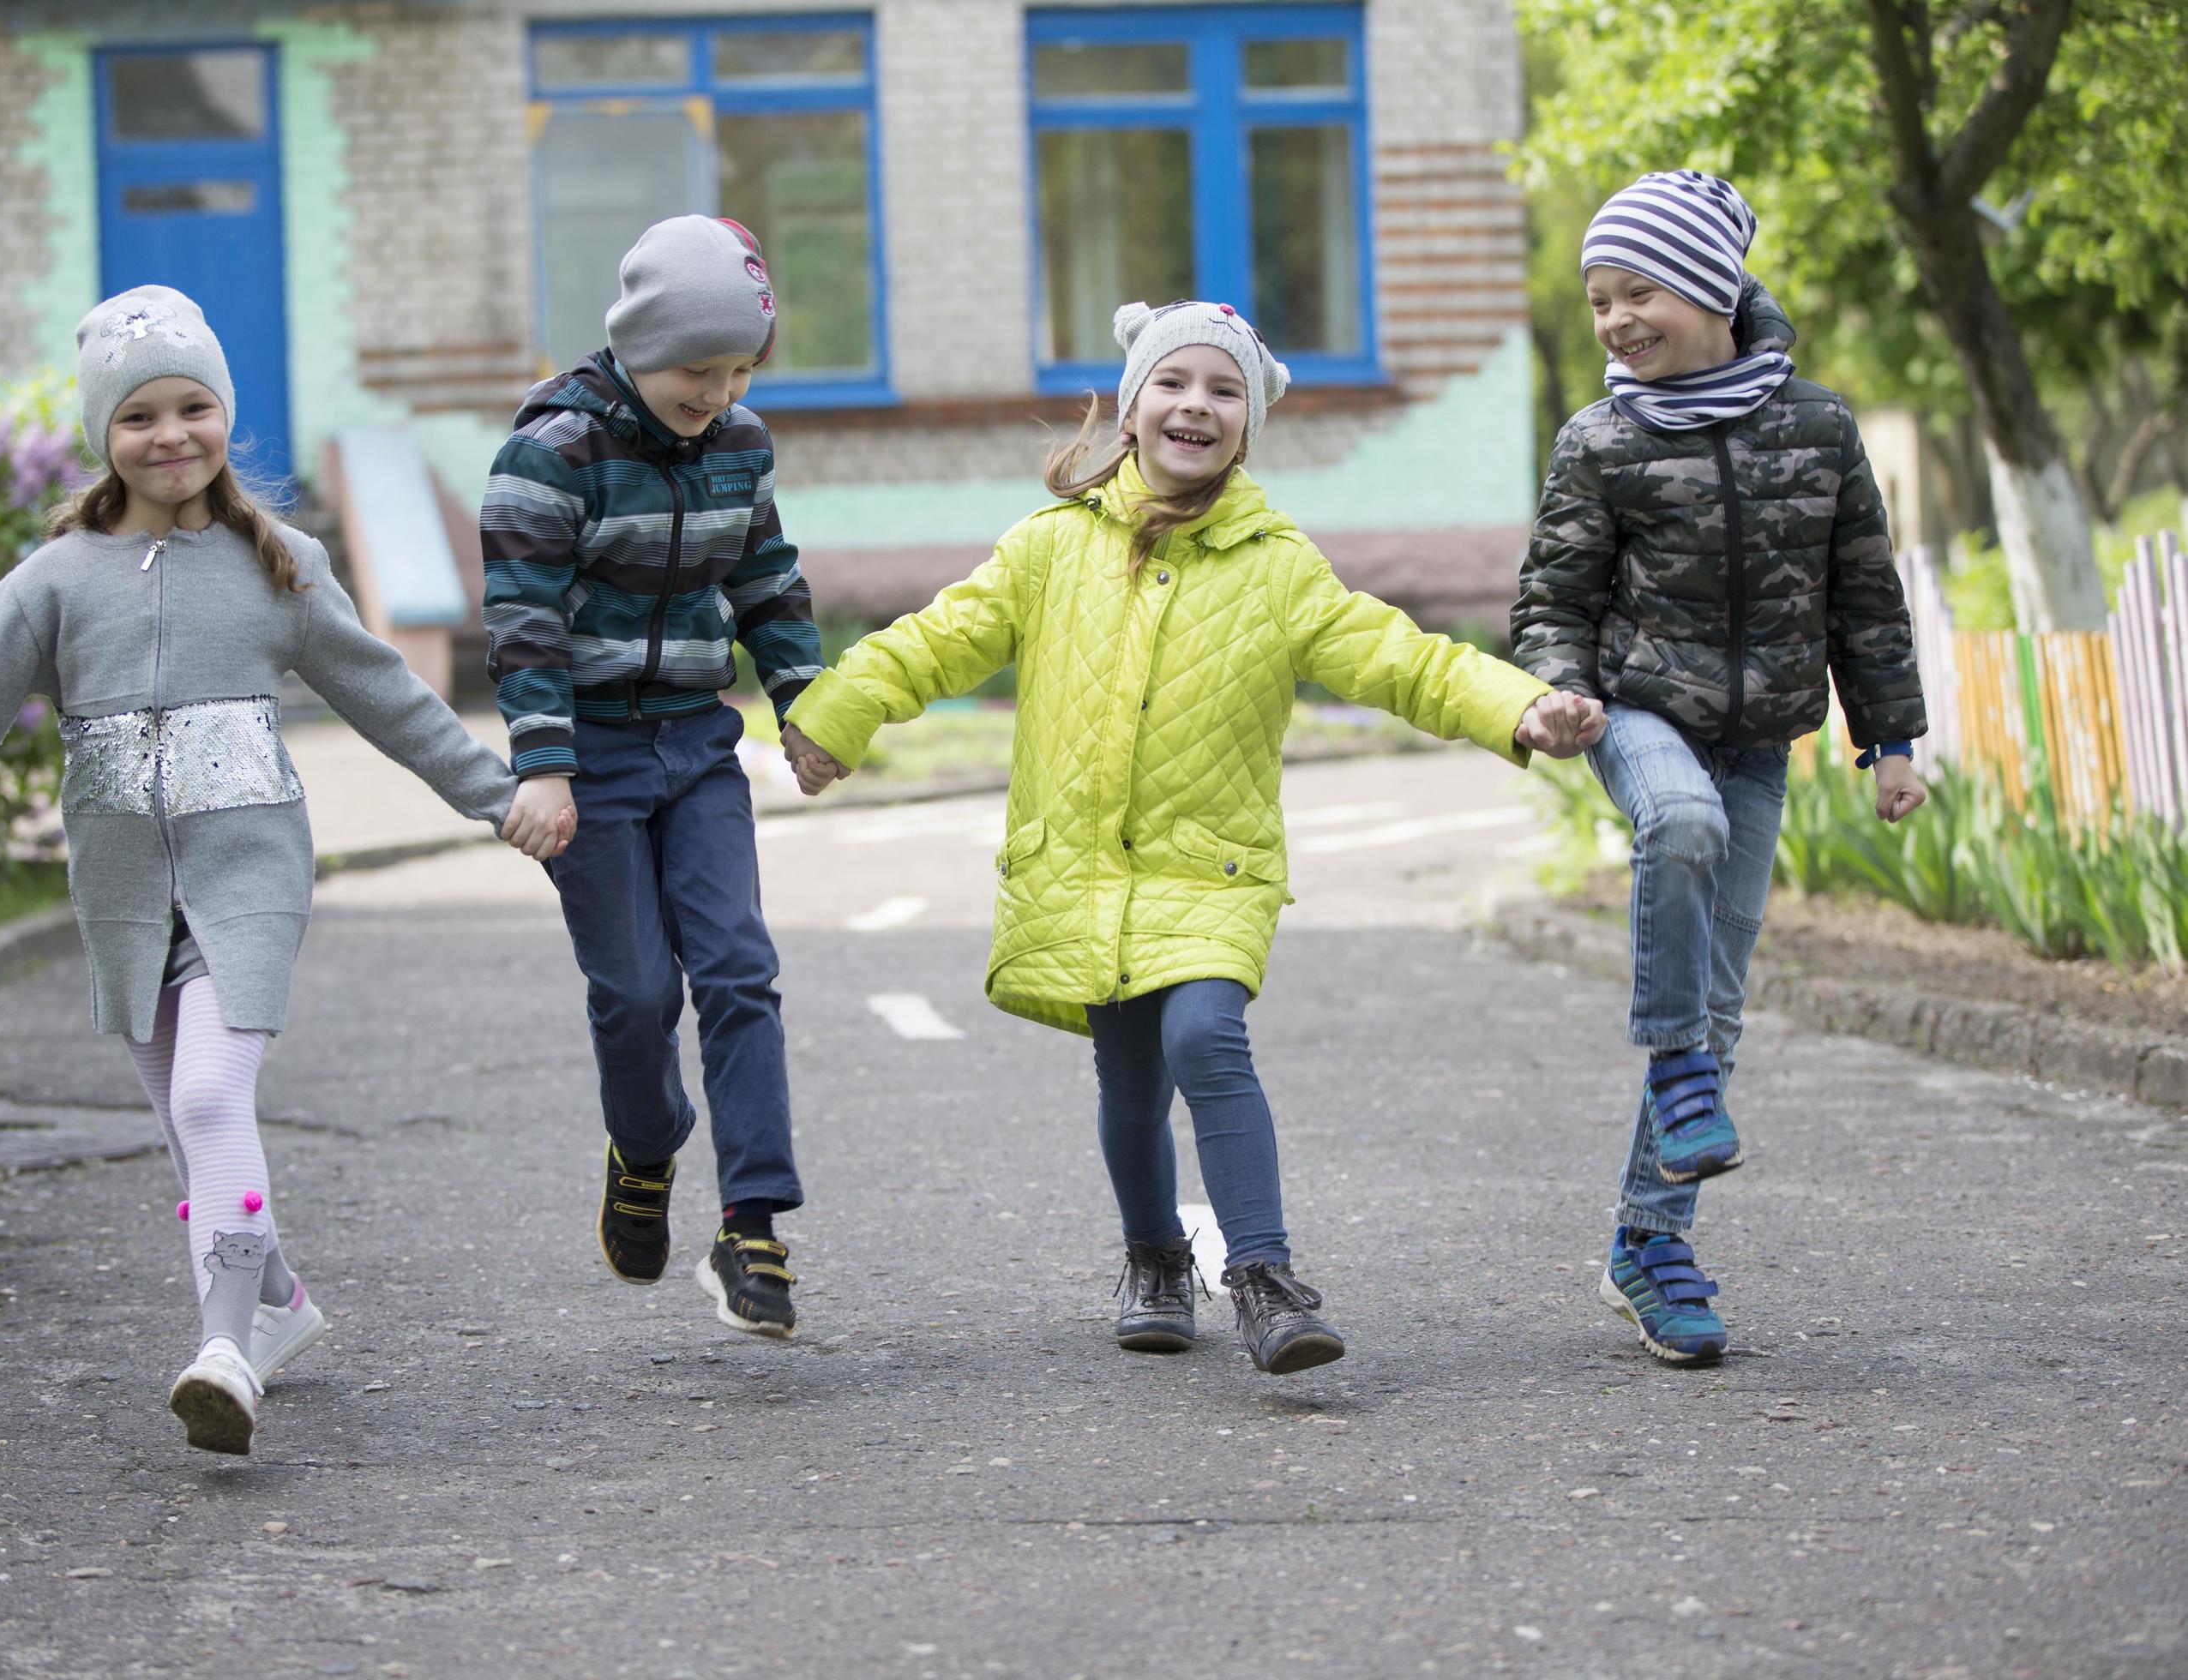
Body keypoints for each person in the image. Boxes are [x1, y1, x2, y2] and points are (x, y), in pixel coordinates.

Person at [784, 300, 1603, 1374]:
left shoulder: (1279, 568)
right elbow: (933, 644)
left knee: (1206, 1038)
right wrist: (834, 718)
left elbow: (1400, 657)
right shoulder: (1047, 552)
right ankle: (1154, 1254)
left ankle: (1261, 1275)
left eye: (1225, 392)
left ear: (1248, 426)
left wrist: (1517, 705)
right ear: (1131, 412)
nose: (1197, 406)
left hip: (1213, 871)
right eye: (1174, 384)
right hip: (1083, 870)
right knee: (1130, 1088)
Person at [0, 285, 526, 1452]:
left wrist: (501, 802)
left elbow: (389, 696)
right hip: (127, 902)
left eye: (194, 408)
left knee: (209, 1097)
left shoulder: (279, 565)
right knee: (191, 1137)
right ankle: (281, 1305)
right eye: (140, 416)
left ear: (224, 419)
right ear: (106, 436)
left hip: (249, 882)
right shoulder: (53, 585)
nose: (171, 435)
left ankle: (227, 1351)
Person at [1511, 170, 1928, 1365]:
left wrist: (1889, 741)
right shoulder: (1603, 437)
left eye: (1636, 289)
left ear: (1707, 287)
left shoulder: (1821, 428)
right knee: (1677, 827)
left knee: (1729, 998)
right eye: (1598, 301)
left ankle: (1650, 1244)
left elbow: (1866, 598)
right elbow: (1553, 598)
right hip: (1639, 712)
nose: (1615, 320)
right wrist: (1560, 684)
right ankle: (1674, 1054)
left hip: (1763, 736)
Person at [481, 216, 823, 1339]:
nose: (716, 392)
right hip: (590, 758)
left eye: (737, 371)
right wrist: (541, 768)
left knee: (738, 972)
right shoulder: (555, 451)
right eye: (696, 368)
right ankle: (645, 1144)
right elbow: (523, 622)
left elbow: (770, 583)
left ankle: (754, 1226)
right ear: (633, 343)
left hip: (697, 744)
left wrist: (808, 708)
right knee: (635, 997)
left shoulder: (740, 444)